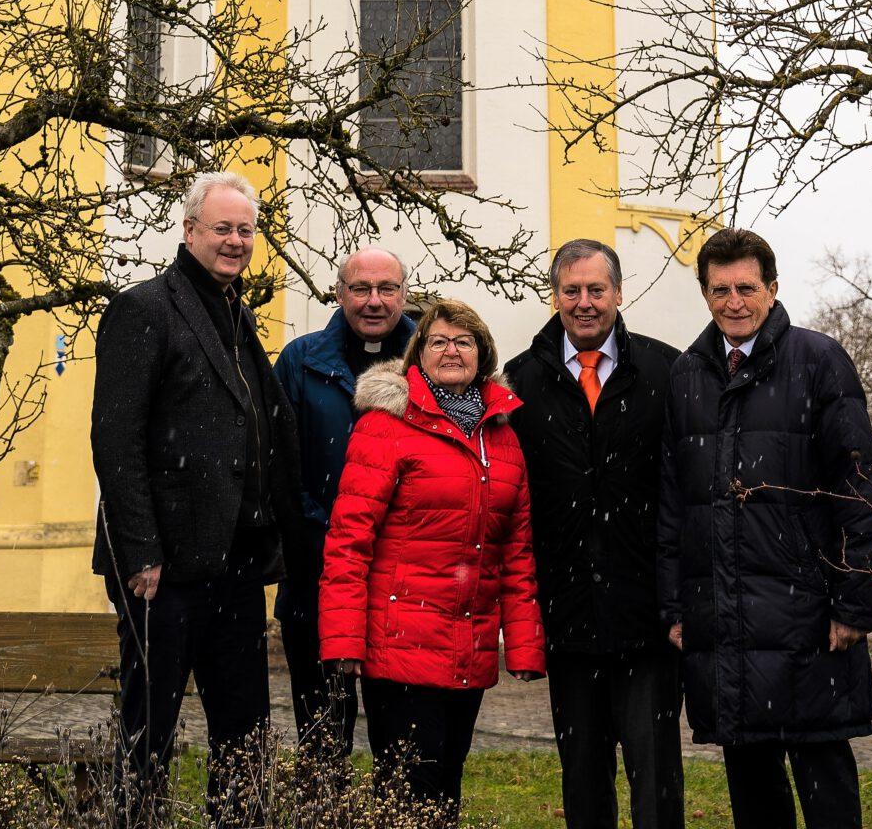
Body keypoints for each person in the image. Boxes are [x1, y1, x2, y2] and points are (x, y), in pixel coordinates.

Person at [90, 172, 306, 825]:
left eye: (245, 230)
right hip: (164, 572)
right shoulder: (145, 308)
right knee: (146, 736)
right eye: (223, 229)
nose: (236, 241)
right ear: (189, 231)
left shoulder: (234, 313)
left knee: (242, 736)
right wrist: (141, 551)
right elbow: (114, 439)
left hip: (234, 566)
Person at [659, 228, 872, 829]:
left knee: (824, 774)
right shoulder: (686, 376)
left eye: (746, 288)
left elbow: (860, 486)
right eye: (720, 290)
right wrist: (674, 607)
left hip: (808, 614)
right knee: (752, 783)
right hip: (725, 618)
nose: (734, 302)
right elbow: (672, 505)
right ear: (705, 294)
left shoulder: (818, 361)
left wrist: (856, 604)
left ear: (772, 288)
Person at [318, 296, 547, 825]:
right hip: (399, 647)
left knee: (445, 790)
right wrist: (345, 639)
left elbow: (515, 552)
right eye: (437, 340)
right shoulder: (386, 426)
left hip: (468, 650)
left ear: (482, 354)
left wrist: (526, 647)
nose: (450, 350)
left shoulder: (502, 436)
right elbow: (349, 540)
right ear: (417, 354)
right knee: (408, 795)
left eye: (463, 341)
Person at [504, 238, 684, 829]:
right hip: (568, 616)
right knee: (582, 777)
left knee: (655, 778)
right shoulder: (519, 382)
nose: (584, 303)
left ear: (618, 294)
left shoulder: (666, 371)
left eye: (596, 290)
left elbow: (684, 494)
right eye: (571, 291)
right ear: (555, 296)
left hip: (647, 619)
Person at [273, 246, 415, 769]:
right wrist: (327, 535)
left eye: (387, 289)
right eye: (360, 288)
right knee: (321, 735)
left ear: (404, 293)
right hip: (316, 576)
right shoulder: (300, 360)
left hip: (404, 584)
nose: (374, 301)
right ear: (338, 293)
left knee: (402, 743)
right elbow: (280, 470)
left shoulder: (431, 360)